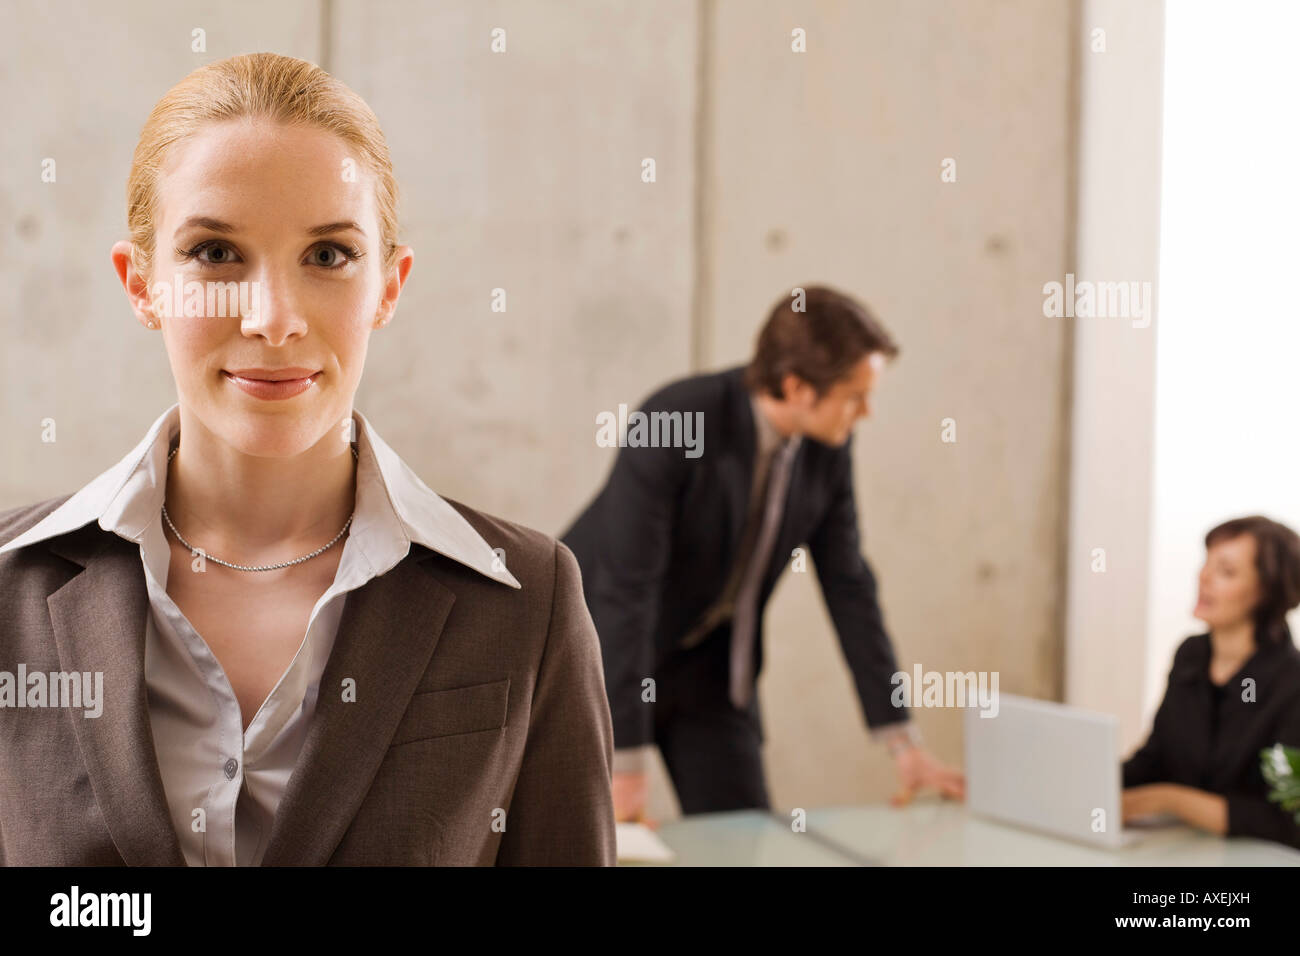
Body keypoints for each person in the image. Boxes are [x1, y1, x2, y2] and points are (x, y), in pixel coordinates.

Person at [0, 53, 614, 866]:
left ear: (388, 287)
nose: (273, 318)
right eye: (216, 253)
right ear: (141, 284)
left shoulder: (527, 599)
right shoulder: (10, 590)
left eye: (327, 256)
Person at [562, 286, 965, 820]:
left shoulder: (827, 450)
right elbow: (624, 591)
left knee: (742, 840)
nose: (866, 412)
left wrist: (903, 743)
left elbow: (850, 587)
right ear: (798, 387)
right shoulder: (677, 418)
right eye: (854, 395)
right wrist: (624, 765)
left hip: (711, 667)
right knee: (576, 841)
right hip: (595, 651)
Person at [1122, 515, 1300, 848]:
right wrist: (1091, 782)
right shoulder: (1191, 655)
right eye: (1207, 563)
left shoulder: (1291, 683)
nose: (1204, 577)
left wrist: (1167, 799)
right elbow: (1154, 759)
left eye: (1227, 572)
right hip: (1181, 849)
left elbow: (1287, 821)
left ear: (1267, 592)